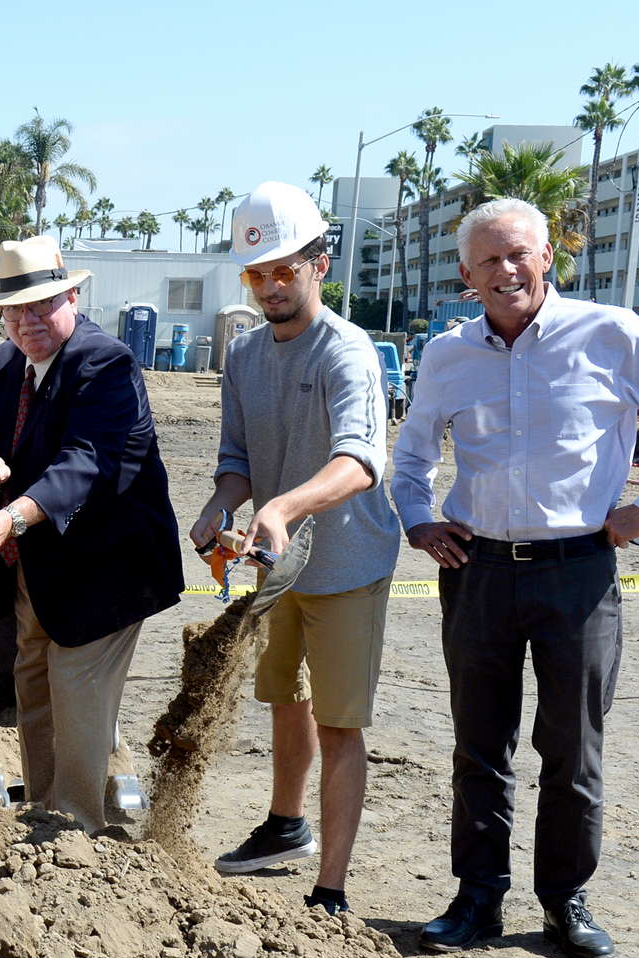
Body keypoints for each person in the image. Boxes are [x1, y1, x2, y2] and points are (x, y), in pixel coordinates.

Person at [392, 197, 639, 958]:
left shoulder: (611, 334)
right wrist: (417, 518)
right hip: (479, 574)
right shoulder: (446, 356)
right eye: (489, 260)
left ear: (546, 259)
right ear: (467, 276)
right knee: (479, 746)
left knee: (572, 748)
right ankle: (477, 897)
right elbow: (410, 455)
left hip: (579, 575)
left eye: (519, 254)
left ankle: (565, 899)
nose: (507, 271)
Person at [189, 183, 401, 915]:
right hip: (279, 562)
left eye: (286, 269)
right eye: (258, 273)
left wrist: (281, 507)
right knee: (286, 698)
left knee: (340, 722)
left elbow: (359, 459)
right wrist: (224, 501)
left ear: (320, 263)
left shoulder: (348, 351)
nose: (273, 285)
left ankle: (331, 890)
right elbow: (237, 454)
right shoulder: (246, 356)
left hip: (346, 564)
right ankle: (286, 825)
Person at [0, 236, 183, 831]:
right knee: (33, 678)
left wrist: (10, 518)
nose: (28, 322)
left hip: (108, 568)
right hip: (41, 568)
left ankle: (78, 829)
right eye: (14, 311)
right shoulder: (2, 366)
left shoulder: (105, 363)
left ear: (72, 296)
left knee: (77, 689)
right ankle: (45, 813)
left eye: (42, 306)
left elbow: (85, 462)